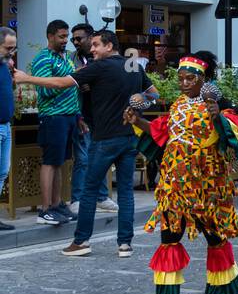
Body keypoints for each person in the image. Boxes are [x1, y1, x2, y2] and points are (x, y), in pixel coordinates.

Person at [126, 56, 238, 294]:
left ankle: (221, 290)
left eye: (189, 79)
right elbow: (160, 133)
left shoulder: (216, 105)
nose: (183, 83)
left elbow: (236, 134)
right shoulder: (178, 105)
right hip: (174, 181)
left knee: (213, 234)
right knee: (170, 235)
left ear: (203, 81)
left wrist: (218, 118)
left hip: (207, 181)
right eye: (180, 78)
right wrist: (137, 121)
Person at [16, 30, 155, 258]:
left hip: (105, 139)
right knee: (126, 193)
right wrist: (140, 103)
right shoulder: (133, 67)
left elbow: (61, 84)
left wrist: (26, 78)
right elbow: (153, 94)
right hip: (129, 137)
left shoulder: (98, 67)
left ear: (109, 46)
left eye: (96, 45)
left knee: (89, 191)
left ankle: (81, 241)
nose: (92, 50)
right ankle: (125, 244)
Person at [29, 19, 81, 226]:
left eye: (66, 36)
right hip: (52, 117)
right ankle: (45, 209)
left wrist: (78, 116)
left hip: (69, 117)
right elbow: (45, 90)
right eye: (61, 36)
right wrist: (68, 80)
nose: (65, 40)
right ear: (50, 36)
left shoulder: (65, 58)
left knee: (61, 162)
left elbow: (74, 88)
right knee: (50, 162)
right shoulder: (43, 58)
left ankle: (57, 204)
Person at [68, 23, 114, 217]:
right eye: (73, 39)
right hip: (82, 115)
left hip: (101, 116)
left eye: (79, 38)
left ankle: (102, 198)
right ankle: (77, 199)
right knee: (84, 158)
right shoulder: (71, 59)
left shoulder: (102, 59)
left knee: (100, 157)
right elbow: (67, 82)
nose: (76, 42)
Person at [0, 26, 16, 232]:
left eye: (13, 48)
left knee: (2, 173)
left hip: (5, 125)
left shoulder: (5, 65)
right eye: (7, 48)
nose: (11, 52)